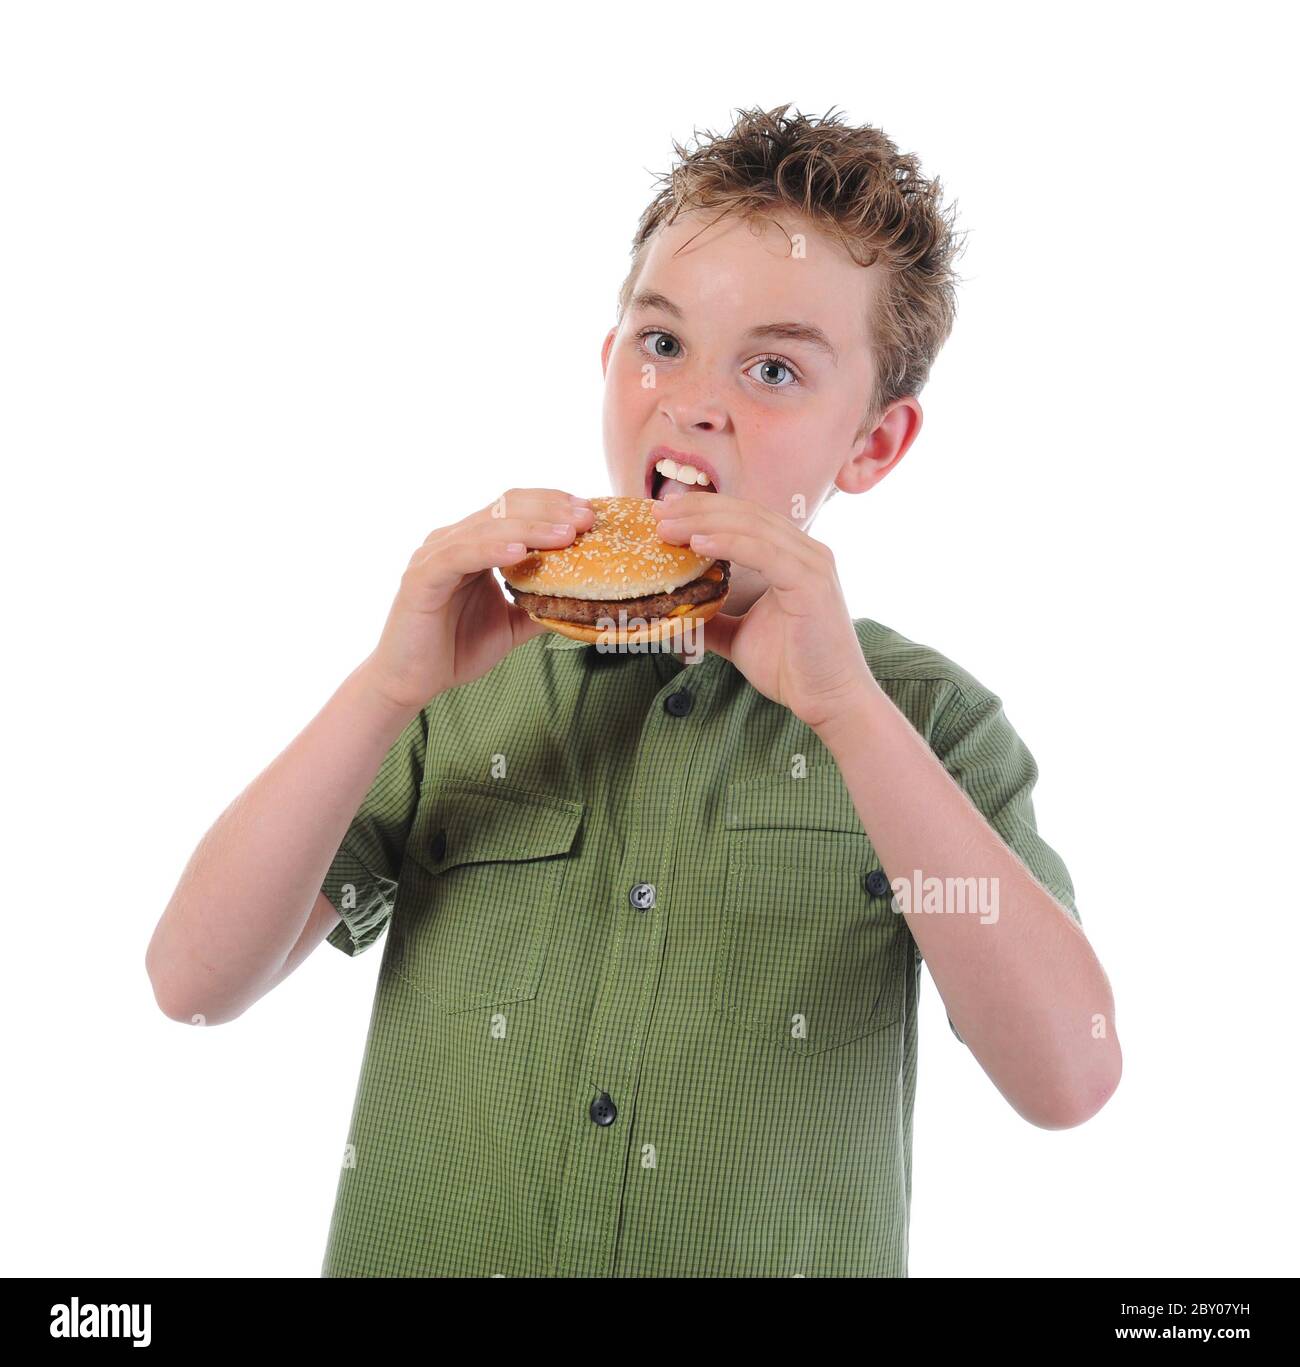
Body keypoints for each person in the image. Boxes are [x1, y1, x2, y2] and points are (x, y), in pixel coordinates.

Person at [148, 103, 1121, 1277]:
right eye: (661, 342)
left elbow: (1066, 1078)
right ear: (608, 360)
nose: (693, 400)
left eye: (772, 367)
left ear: (873, 443)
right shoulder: (454, 686)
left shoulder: (925, 721)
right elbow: (191, 984)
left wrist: (853, 718)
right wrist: (382, 688)